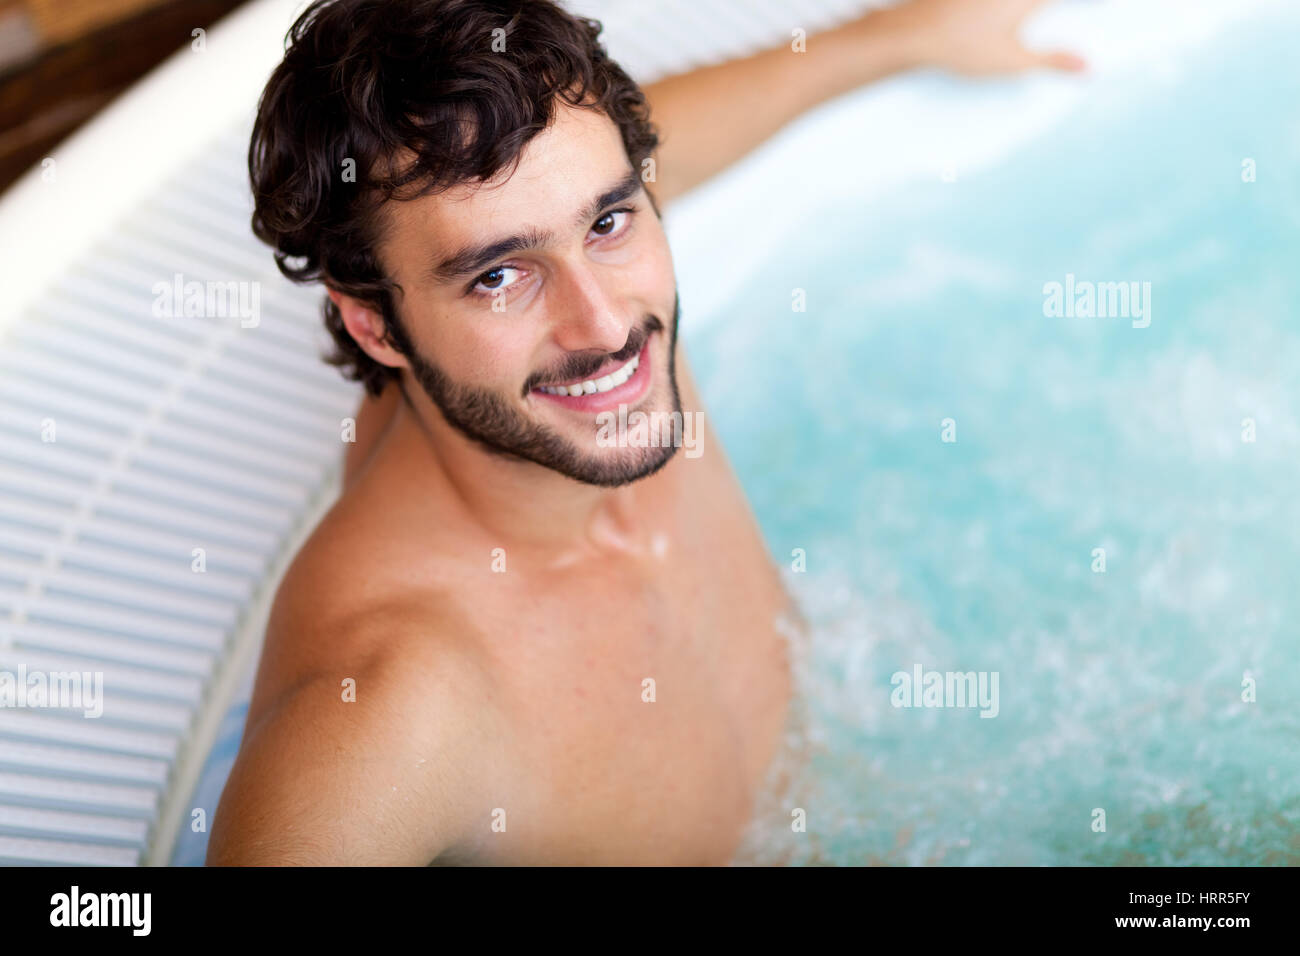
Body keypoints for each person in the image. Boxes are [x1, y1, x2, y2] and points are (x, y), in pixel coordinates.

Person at [206, 0, 1081, 865]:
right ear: (376, 327)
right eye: (501, 275)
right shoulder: (397, 700)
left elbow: (647, 148)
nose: (604, 327)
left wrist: (898, 36)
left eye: (610, 221)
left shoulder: (606, 302)